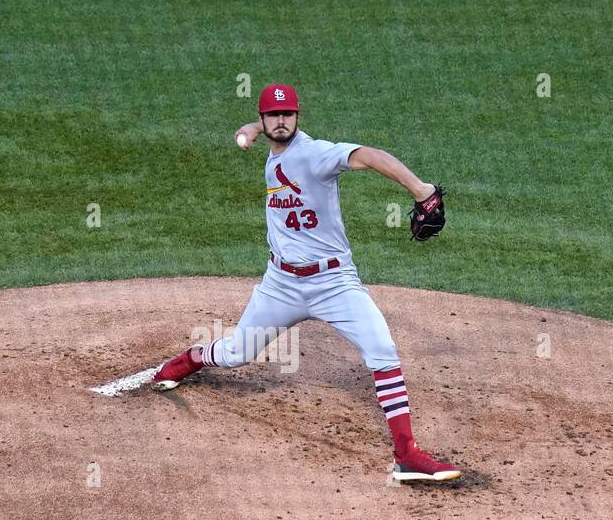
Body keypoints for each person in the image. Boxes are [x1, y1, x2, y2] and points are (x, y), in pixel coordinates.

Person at [151, 83, 460, 482]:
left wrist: (420, 190)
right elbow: (263, 130)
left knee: (382, 349)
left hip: (334, 282)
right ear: (265, 119)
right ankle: (188, 361)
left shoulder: (315, 155)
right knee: (235, 354)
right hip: (280, 285)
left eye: (289, 115)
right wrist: (249, 131)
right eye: (273, 116)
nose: (282, 121)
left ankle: (407, 455)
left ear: (299, 118)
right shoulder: (272, 147)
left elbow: (370, 156)